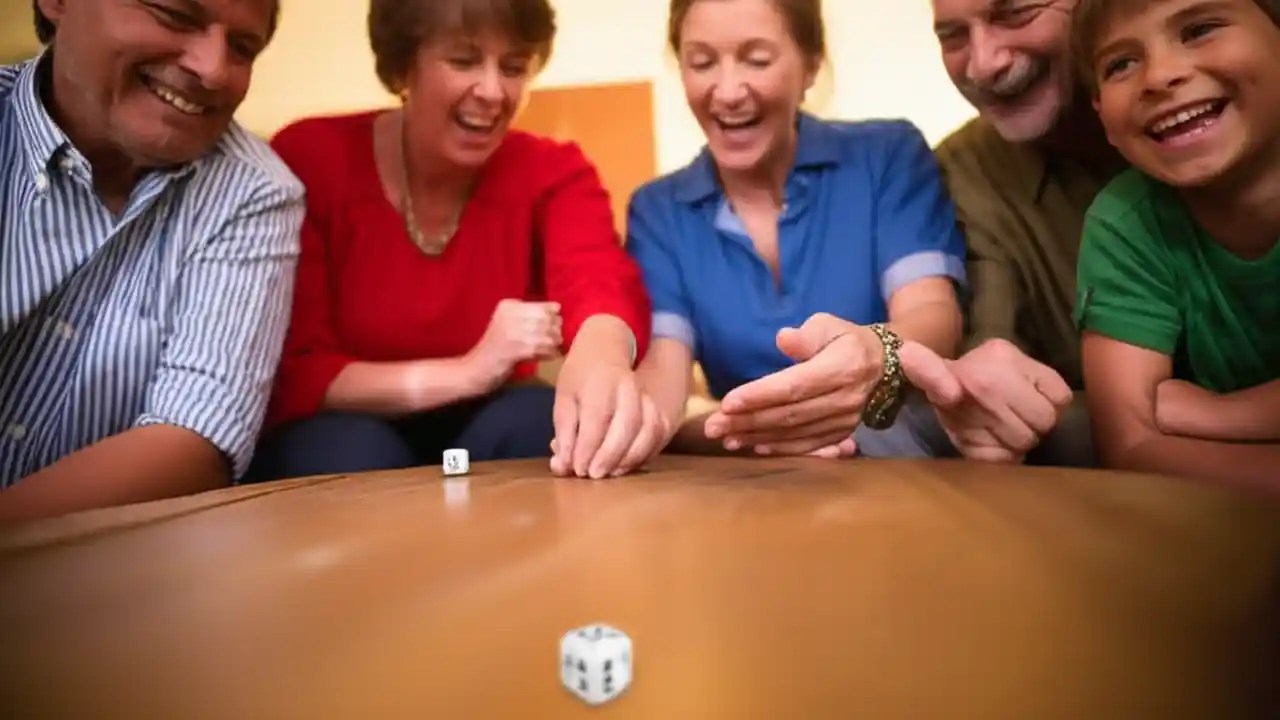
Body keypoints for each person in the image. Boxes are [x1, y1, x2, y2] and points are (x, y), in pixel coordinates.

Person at [246, 0, 665, 483]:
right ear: (404, 65)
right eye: (464, 61)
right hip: (347, 425)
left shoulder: (552, 171)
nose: (493, 91)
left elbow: (597, 277)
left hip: (489, 422)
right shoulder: (313, 157)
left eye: (512, 68)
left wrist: (603, 355)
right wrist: (469, 371)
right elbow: (300, 371)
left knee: (534, 425)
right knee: (345, 453)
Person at [617, 0, 969, 464]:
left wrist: (871, 353)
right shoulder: (659, 211)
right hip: (750, 472)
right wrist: (658, 427)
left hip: (894, 451)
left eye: (757, 59)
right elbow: (665, 373)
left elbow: (933, 317)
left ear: (810, 66)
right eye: (701, 62)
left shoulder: (886, 156)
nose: (727, 91)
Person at [0, 0, 302, 522]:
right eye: (174, 16)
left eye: (243, 48)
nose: (212, 68)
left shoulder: (253, 190)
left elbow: (194, 440)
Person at [867, 0, 1128, 467]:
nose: (984, 64)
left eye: (1017, 15)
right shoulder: (965, 170)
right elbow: (991, 357)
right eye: (952, 36)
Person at [1071, 0, 1280, 488]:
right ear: (1101, 114)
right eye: (1120, 63)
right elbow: (1131, 445)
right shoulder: (1125, 223)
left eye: (1201, 29)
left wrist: (1220, 414)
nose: (1159, 76)